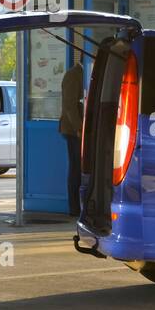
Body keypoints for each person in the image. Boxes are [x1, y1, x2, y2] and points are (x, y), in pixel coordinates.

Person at [58, 61, 85, 217]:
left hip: (80, 130)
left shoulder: (83, 73)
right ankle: (74, 208)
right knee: (76, 168)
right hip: (74, 131)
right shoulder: (73, 75)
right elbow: (69, 106)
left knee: (80, 168)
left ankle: (80, 207)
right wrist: (79, 128)